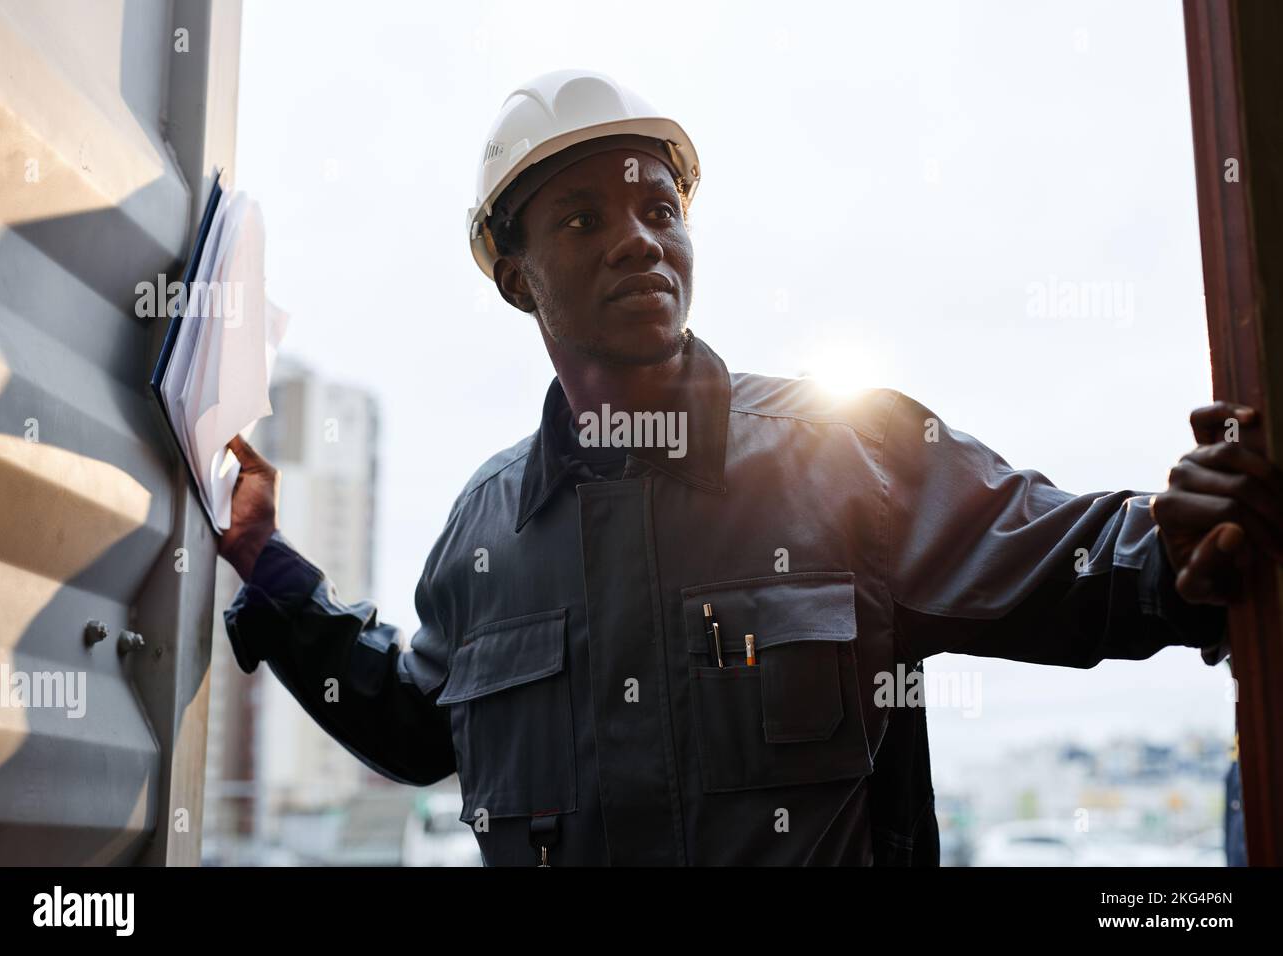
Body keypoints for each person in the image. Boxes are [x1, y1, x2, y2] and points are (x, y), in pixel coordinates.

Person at [218, 69, 1280, 866]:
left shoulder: (845, 452)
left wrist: (1178, 539)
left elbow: (1073, 557)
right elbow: (416, 725)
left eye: (659, 210)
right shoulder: (485, 530)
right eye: (584, 219)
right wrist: (270, 569)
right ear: (514, 276)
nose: (639, 241)